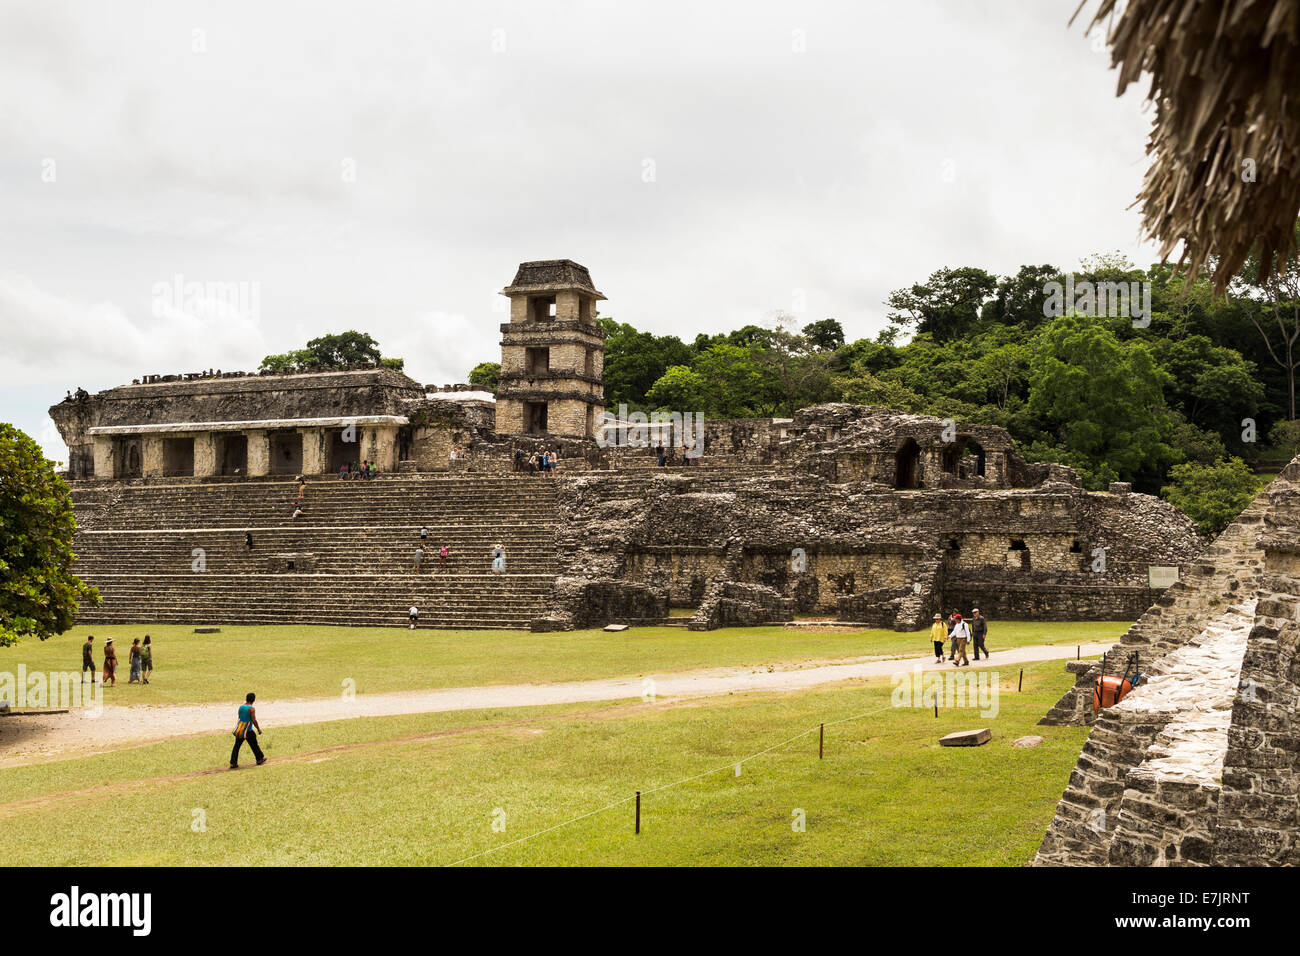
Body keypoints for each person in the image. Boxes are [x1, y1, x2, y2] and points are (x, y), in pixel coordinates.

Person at [229, 692, 266, 768]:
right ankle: (259, 759)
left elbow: (239, 717)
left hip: (240, 730)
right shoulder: (251, 709)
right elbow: (254, 720)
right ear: (254, 700)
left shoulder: (241, 707)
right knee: (254, 745)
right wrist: (258, 729)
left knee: (236, 746)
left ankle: (233, 763)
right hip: (248, 731)